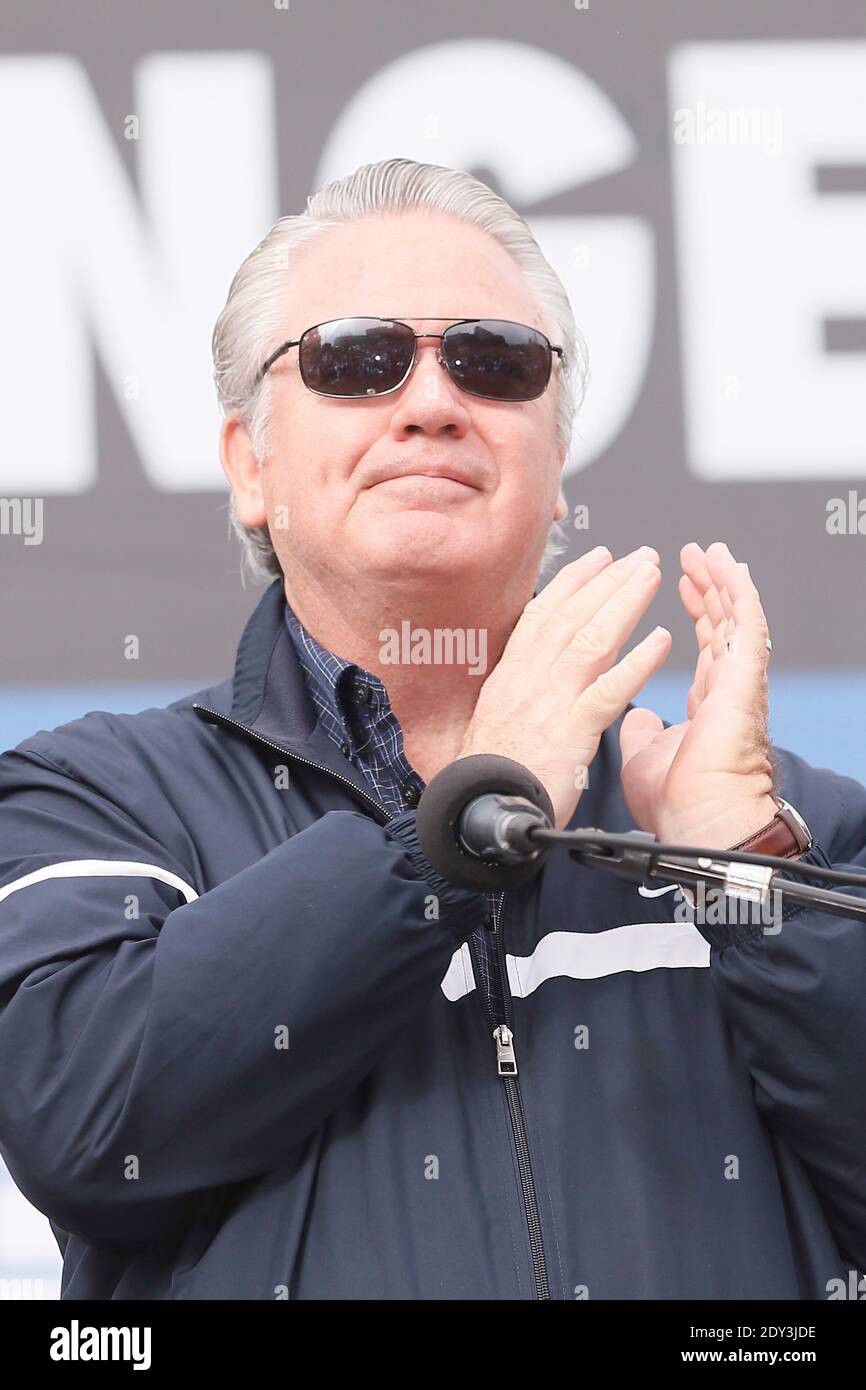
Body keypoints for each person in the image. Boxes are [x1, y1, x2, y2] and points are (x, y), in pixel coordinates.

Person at [0, 158, 863, 1301]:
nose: (430, 402)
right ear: (249, 467)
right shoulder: (95, 799)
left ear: (555, 467)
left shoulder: (783, 825)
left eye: (491, 361)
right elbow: (91, 1123)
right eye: (354, 360)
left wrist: (742, 874)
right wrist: (456, 821)